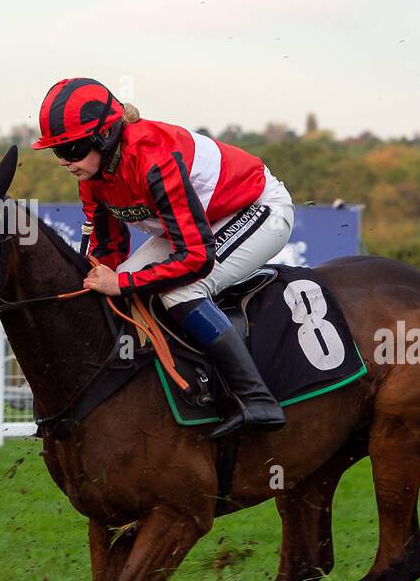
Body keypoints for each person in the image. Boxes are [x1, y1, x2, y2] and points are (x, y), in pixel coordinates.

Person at [31, 77, 289, 439]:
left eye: (71, 149)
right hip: (197, 224)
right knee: (118, 287)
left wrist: (121, 281)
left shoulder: (152, 158)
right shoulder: (92, 173)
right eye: (58, 153)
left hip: (256, 207)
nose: (64, 162)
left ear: (104, 137)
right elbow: (107, 250)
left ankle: (256, 398)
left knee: (178, 291)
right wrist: (101, 276)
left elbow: (196, 258)